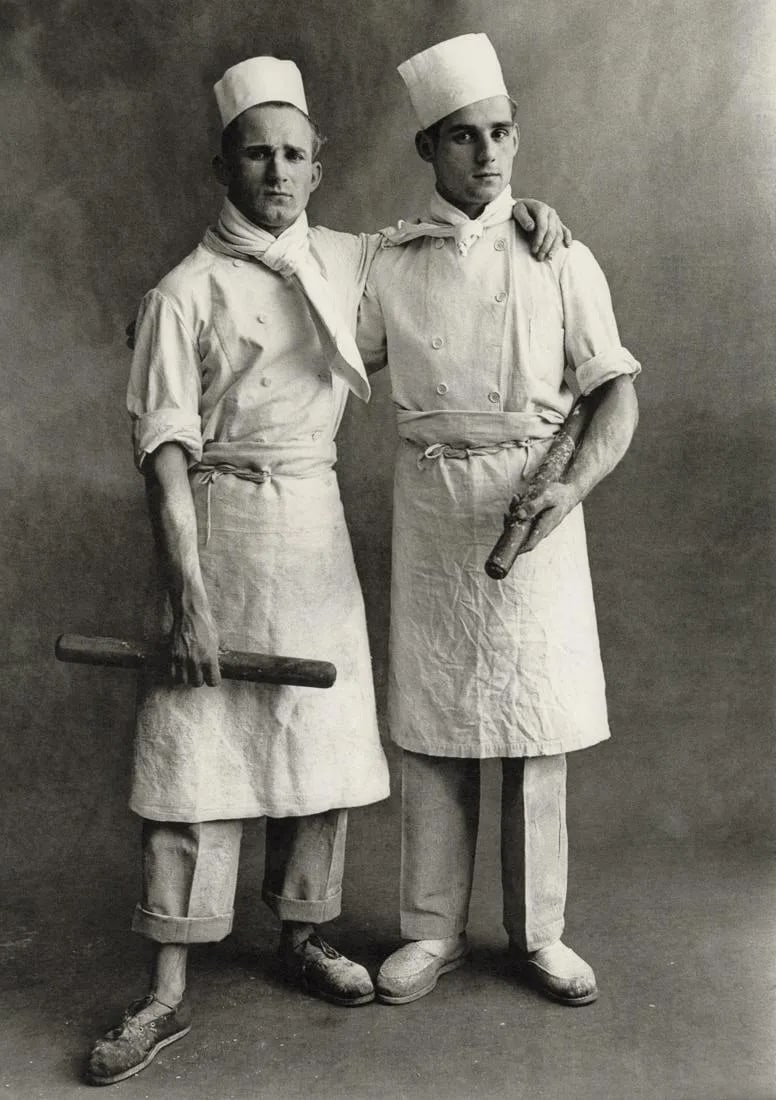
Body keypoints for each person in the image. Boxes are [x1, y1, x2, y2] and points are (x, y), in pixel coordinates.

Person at [86, 54, 567, 1085]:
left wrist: (526, 217)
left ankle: (301, 935)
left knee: (317, 746)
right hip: (216, 532)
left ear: (319, 165)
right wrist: (188, 601)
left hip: (313, 530)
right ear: (223, 164)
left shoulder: (354, 259)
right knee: (195, 757)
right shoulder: (182, 293)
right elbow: (163, 459)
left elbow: (455, 251)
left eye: (294, 155)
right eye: (256, 154)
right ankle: (165, 987)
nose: (277, 173)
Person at [356, 33, 640, 1008]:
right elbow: (313, 350)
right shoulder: (388, 264)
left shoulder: (560, 255)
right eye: (463, 136)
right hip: (434, 508)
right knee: (435, 727)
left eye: (500, 132)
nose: (487, 153)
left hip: (534, 508)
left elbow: (615, 395)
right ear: (427, 148)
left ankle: (539, 932)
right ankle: (429, 931)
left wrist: (571, 487)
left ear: (516, 137)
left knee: (532, 724)